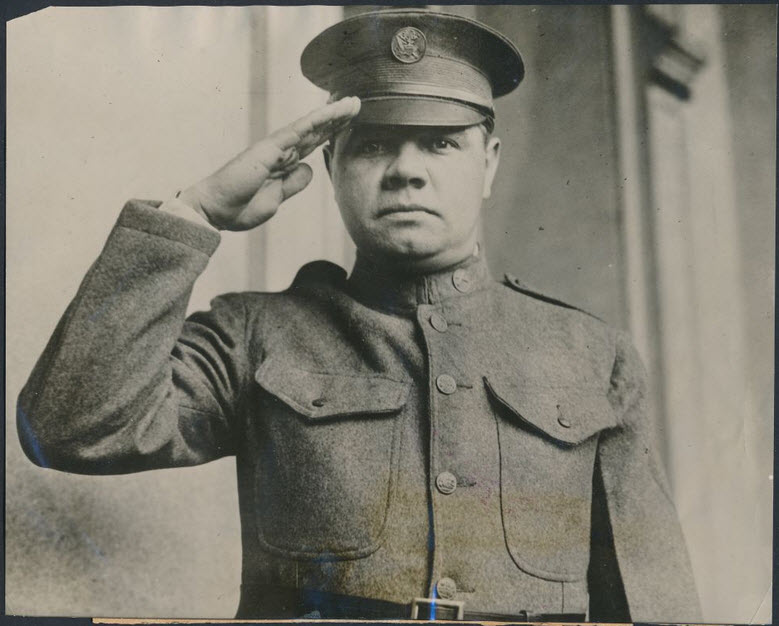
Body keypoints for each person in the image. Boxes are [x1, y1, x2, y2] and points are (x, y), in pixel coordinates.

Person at [17, 9, 701, 622]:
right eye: (373, 144)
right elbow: (72, 426)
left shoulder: (590, 353)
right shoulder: (255, 336)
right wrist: (197, 213)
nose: (405, 171)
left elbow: (650, 603)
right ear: (331, 166)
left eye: (440, 144)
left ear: (487, 165)